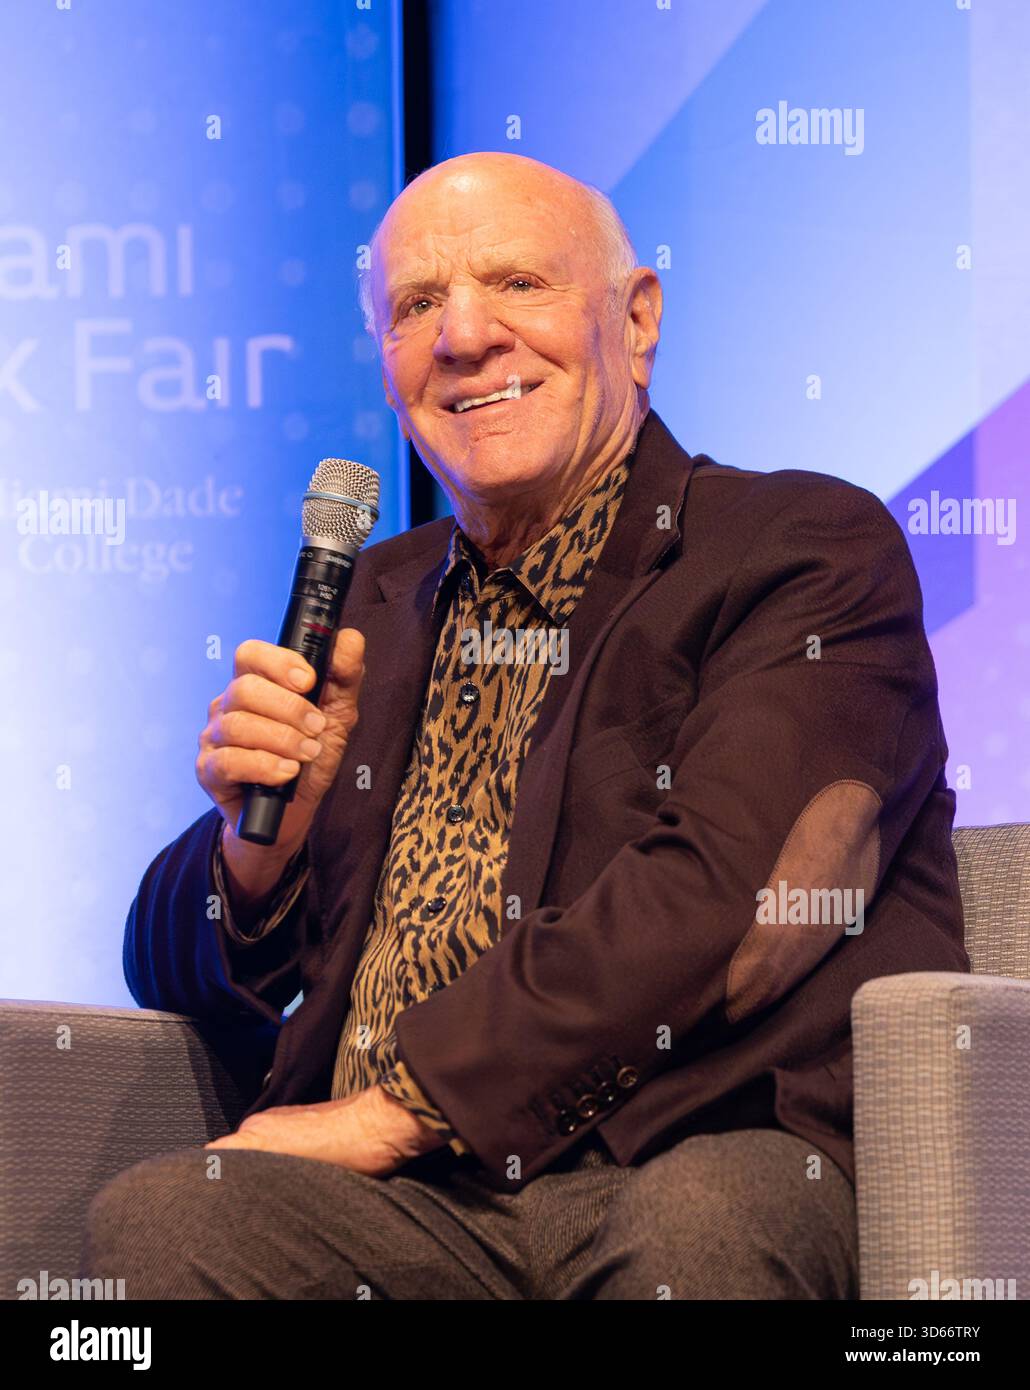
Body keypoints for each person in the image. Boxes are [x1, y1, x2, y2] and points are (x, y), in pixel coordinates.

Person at [81, 152, 968, 1300]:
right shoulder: (373, 601)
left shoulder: (798, 549)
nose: (462, 337)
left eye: (516, 285)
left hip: (686, 1149)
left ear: (636, 319)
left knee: (699, 1230)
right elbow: (166, 966)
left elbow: (721, 894)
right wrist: (260, 850)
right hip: (405, 1218)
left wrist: (398, 1109)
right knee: (161, 1223)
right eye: (415, 306)